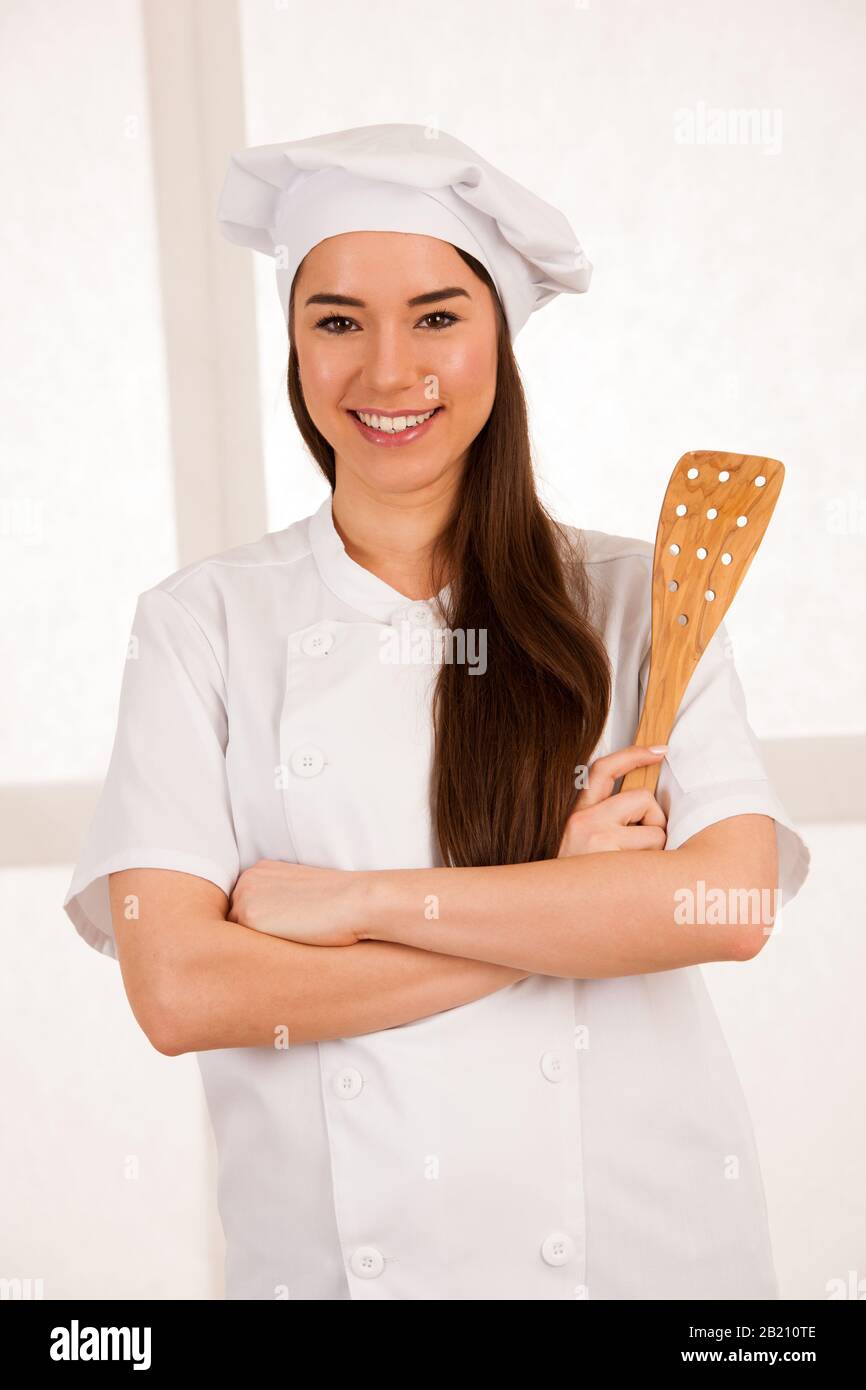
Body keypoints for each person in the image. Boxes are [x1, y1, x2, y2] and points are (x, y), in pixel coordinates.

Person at [63, 123, 811, 1301]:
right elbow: (184, 992)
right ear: (295, 348)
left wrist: (347, 905)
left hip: (644, 1265)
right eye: (337, 320)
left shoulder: (638, 602)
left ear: (497, 343)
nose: (386, 371)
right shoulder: (198, 624)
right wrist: (568, 908)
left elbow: (725, 903)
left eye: (438, 316)